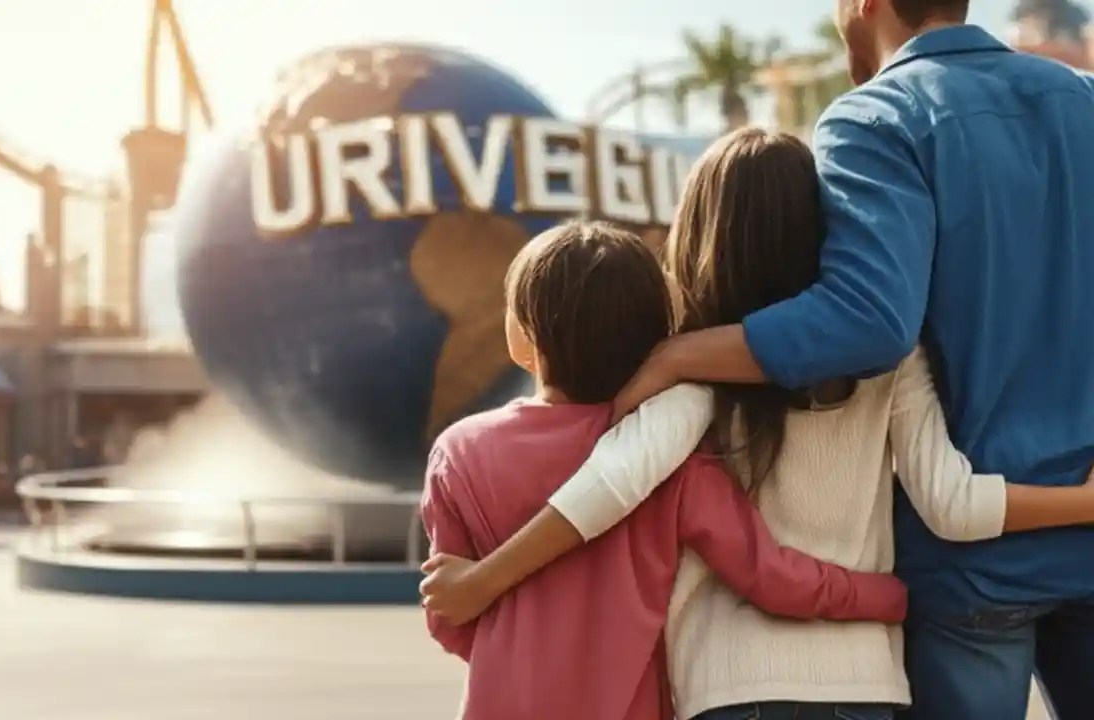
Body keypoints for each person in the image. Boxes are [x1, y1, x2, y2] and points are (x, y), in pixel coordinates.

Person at [422, 81, 1094, 718]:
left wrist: (485, 582)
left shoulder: (690, 365)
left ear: (699, 231)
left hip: (729, 687)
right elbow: (952, 504)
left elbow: (614, 481)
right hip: (865, 685)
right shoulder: (893, 359)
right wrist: (1081, 504)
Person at [422, 220, 908, 720]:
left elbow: (449, 616)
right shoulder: (670, 455)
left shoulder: (459, 453)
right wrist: (891, 595)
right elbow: (770, 576)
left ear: (524, 333)